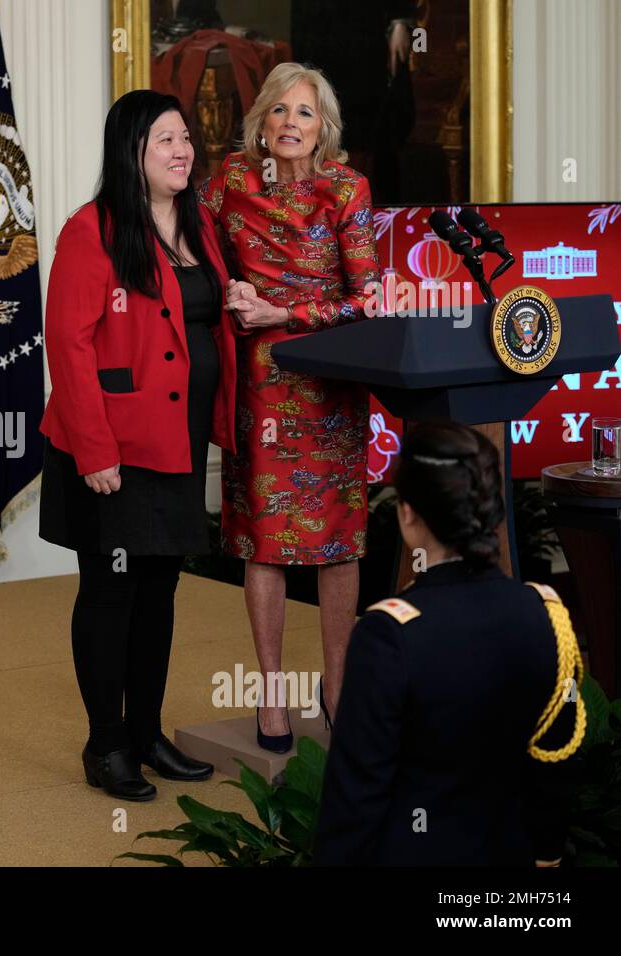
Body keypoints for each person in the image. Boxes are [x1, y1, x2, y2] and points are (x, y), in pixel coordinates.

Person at [39, 90, 243, 800]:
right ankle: (106, 744)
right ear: (131, 150)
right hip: (112, 449)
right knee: (112, 589)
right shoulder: (90, 230)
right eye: (165, 139)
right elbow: (67, 345)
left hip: (179, 441)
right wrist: (94, 451)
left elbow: (203, 316)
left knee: (160, 588)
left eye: (185, 137)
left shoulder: (201, 224)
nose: (182, 150)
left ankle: (148, 731)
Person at [197, 62, 381, 751]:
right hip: (261, 385)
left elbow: (366, 300)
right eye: (279, 111)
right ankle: (270, 699)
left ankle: (337, 690)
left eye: (304, 113)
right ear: (261, 122)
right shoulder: (229, 183)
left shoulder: (346, 187)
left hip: (331, 382)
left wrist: (284, 309)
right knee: (264, 543)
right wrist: (232, 297)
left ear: (322, 127)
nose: (290, 124)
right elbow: (194, 263)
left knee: (339, 544)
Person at [315, 422, 584, 866]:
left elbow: (354, 803)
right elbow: (554, 764)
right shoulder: (546, 615)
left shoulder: (388, 635)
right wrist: (547, 858)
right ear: (493, 509)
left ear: (407, 514)